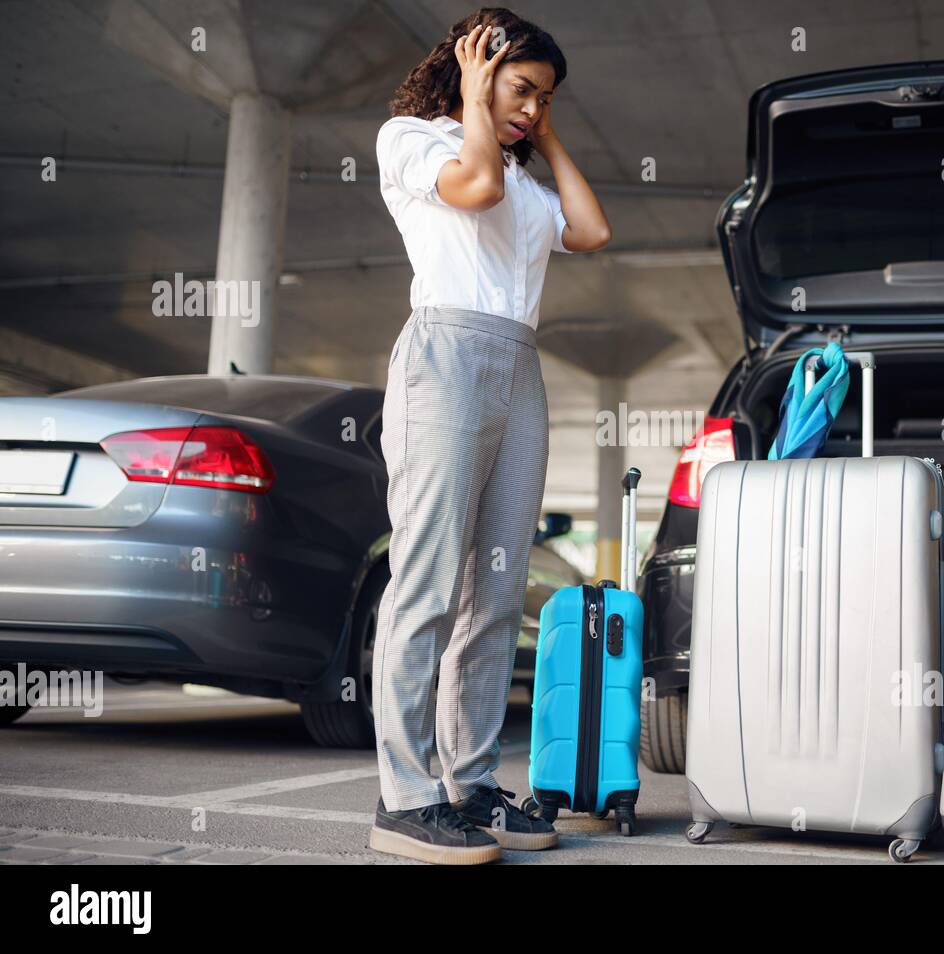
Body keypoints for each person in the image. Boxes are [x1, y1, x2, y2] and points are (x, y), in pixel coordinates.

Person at [368, 7, 611, 865]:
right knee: (427, 583)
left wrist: (542, 138)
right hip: (445, 356)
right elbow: (475, 188)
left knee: (497, 594)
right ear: (474, 70)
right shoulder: (414, 140)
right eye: (522, 87)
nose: (531, 109)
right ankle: (404, 796)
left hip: (520, 370)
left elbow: (591, 230)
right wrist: (476, 101)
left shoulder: (530, 181)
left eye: (543, 98)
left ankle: (468, 783)